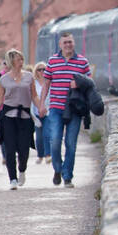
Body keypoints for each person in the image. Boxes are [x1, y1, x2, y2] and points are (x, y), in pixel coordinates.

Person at [43, 32, 91, 188]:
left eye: (70, 42)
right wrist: (41, 103)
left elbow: (91, 84)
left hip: (74, 108)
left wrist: (80, 84)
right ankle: (58, 169)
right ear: (60, 45)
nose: (68, 45)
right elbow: (46, 84)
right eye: (65, 42)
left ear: (74, 43)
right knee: (55, 141)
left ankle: (67, 176)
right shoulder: (52, 61)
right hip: (56, 108)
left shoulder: (82, 62)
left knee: (71, 143)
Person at [0, 49, 42, 189]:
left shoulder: (29, 77)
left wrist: (40, 107)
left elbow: (34, 96)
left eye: (22, 58)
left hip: (25, 117)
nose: (21, 61)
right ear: (12, 61)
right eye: (19, 59)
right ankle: (12, 179)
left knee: (24, 149)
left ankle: (22, 170)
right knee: (10, 148)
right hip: (8, 117)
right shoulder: (3, 79)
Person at [31, 61, 51, 163]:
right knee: (38, 137)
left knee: (47, 133)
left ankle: (48, 155)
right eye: (40, 69)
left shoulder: (49, 83)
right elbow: (31, 98)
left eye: (44, 69)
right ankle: (40, 155)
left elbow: (51, 97)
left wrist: (47, 108)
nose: (42, 71)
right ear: (36, 71)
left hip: (48, 112)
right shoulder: (33, 83)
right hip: (36, 112)